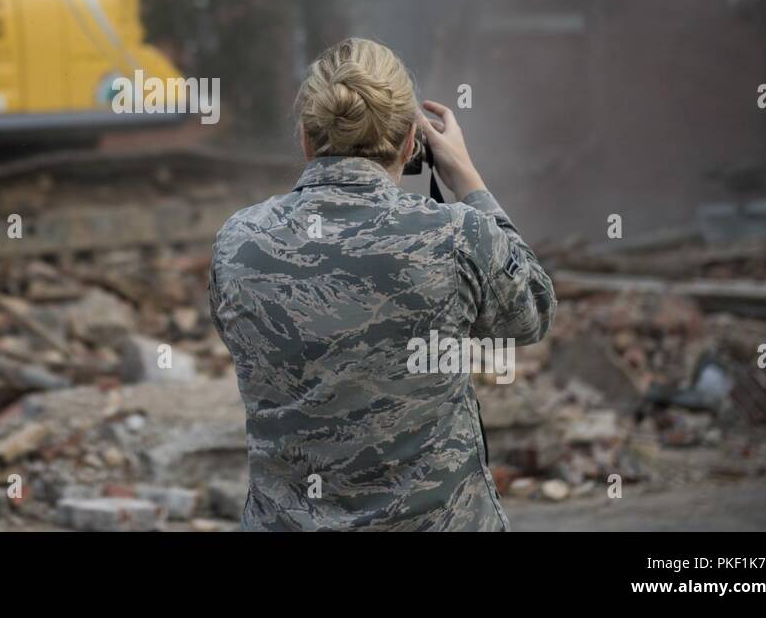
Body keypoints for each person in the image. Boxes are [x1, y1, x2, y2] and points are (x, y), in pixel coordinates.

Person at [209, 37, 556, 531]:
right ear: (413, 143)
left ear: (307, 140)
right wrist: (469, 181)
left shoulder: (238, 241)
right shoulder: (456, 235)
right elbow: (534, 311)